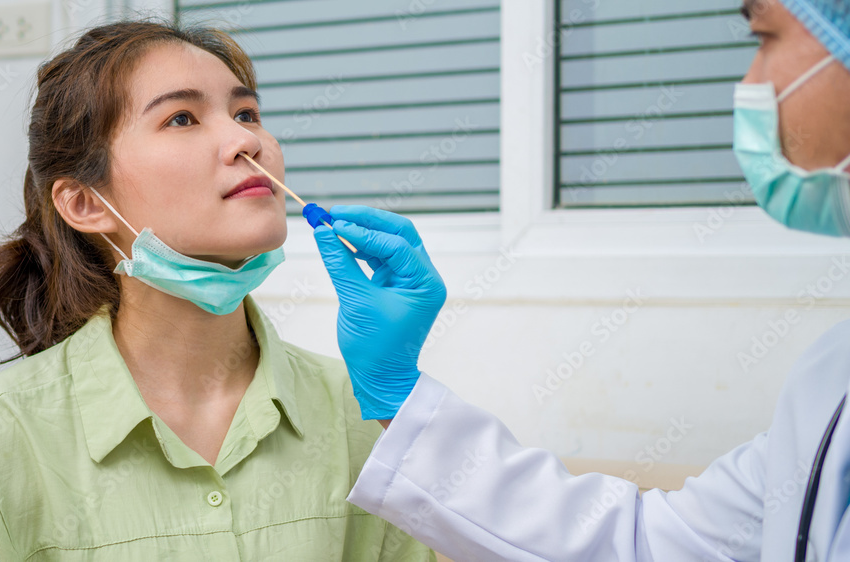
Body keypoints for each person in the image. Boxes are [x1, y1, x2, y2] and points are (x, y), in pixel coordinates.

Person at [310, 0, 850, 560]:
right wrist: (396, 395)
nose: (750, 81)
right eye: (205, 119)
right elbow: (643, 544)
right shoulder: (831, 378)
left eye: (763, 38)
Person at [0, 20, 434, 561]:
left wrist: (400, 407)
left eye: (246, 113)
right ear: (86, 203)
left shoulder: (364, 411)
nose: (245, 141)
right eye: (181, 117)